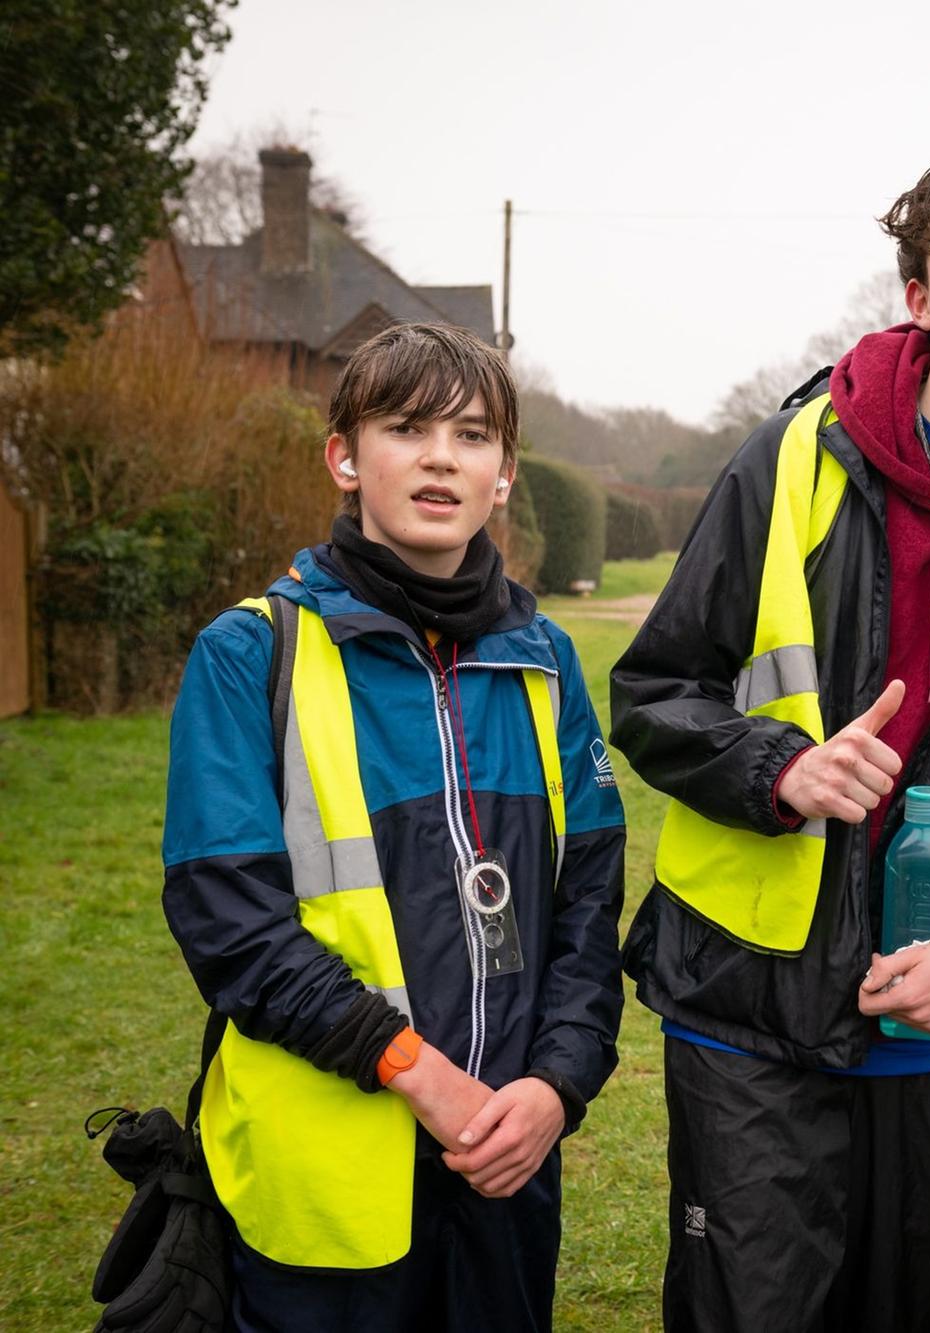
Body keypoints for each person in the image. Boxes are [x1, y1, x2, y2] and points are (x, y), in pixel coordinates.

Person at [611, 146, 930, 1332]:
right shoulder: (786, 458)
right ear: (915, 293)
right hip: (750, 1008)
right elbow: (653, 690)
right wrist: (779, 767)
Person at [161, 322, 627, 1332]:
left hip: (505, 1163)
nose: (438, 457)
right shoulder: (250, 653)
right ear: (343, 458)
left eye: (469, 435)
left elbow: (589, 901)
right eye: (406, 428)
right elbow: (227, 923)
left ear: (503, 473)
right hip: (324, 1192)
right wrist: (415, 1071)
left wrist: (555, 1086)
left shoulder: (543, 657)